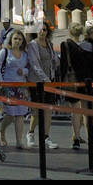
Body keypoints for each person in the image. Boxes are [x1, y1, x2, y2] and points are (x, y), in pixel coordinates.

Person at [59, 22, 93, 148]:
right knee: (87, 111)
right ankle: (90, 136)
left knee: (76, 111)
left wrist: (60, 82)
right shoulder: (85, 47)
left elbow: (63, 65)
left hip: (72, 80)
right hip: (86, 81)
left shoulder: (67, 45)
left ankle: (77, 136)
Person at [0, 30, 36, 151]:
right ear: (11, 39)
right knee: (11, 114)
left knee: (20, 114)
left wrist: (25, 71)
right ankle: (2, 130)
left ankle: (19, 141)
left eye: (20, 39)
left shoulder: (25, 54)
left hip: (21, 86)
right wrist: (1, 82)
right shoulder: (5, 52)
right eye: (15, 38)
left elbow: (29, 68)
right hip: (8, 85)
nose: (17, 41)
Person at [24, 22, 59, 150]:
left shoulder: (49, 44)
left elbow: (53, 60)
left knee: (48, 110)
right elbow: (35, 65)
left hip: (50, 80)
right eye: (39, 30)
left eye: (44, 30)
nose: (42, 32)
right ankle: (31, 133)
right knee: (37, 111)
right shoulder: (33, 45)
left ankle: (46, 136)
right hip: (37, 82)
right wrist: (45, 80)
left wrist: (54, 70)